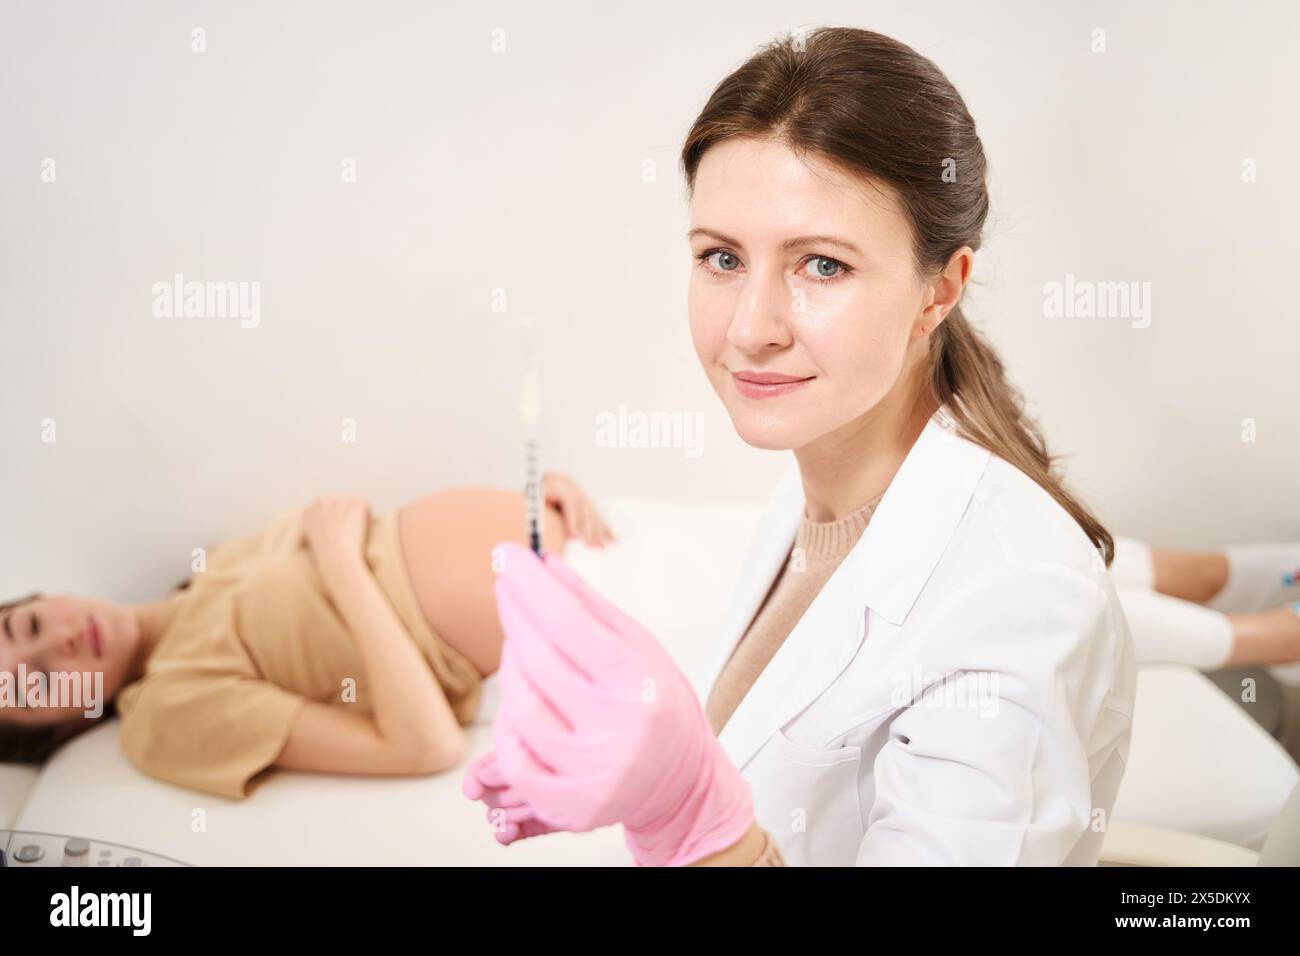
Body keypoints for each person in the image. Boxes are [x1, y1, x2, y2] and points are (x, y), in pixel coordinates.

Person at [462, 26, 1139, 867]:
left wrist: (692, 816)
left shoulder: (1016, 605)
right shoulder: (812, 490)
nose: (750, 330)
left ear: (941, 288)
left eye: (821, 266)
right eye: (721, 258)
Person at [0, 474, 613, 800]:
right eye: (43, 680)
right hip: (580, 642)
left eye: (27, 624)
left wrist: (541, 494)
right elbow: (424, 746)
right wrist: (341, 563)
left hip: (595, 537)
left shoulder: (210, 570)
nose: (60, 642)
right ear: (66, 724)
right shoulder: (164, 712)